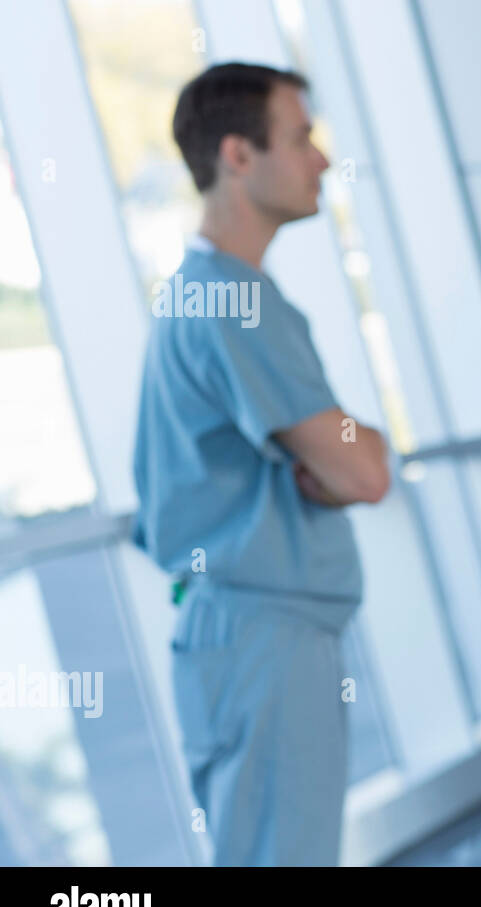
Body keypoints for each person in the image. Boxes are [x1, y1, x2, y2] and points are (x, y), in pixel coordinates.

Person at [131, 63, 391, 865]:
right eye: (303, 137)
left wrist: (339, 453)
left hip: (257, 641)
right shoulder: (228, 301)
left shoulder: (217, 294)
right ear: (238, 156)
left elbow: (345, 461)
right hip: (259, 646)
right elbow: (365, 471)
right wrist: (343, 452)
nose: (320, 160)